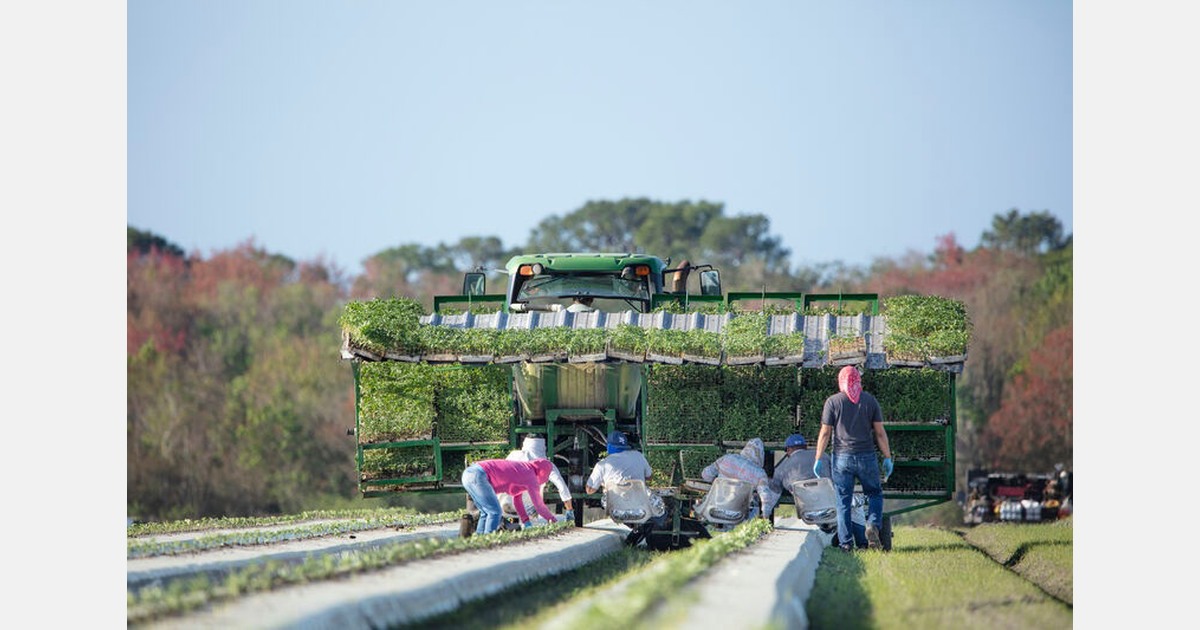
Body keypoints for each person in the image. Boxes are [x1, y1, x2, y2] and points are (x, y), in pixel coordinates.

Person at [813, 365, 893, 552]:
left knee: (842, 500)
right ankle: (872, 524)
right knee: (874, 493)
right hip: (866, 456)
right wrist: (887, 457)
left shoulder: (832, 402)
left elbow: (825, 433)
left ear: (840, 381)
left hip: (841, 457)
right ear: (859, 380)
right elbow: (880, 433)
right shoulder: (870, 401)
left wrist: (818, 458)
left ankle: (846, 544)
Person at [586, 431, 662, 543]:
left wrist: (604, 483)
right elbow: (649, 477)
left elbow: (589, 491)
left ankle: (635, 529)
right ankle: (640, 530)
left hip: (615, 509)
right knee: (658, 510)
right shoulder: (638, 456)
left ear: (609, 447)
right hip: (640, 506)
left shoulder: (602, 464)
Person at [461, 458, 559, 535]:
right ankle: (488, 539)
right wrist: (554, 521)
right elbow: (539, 506)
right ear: (543, 472)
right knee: (495, 512)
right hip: (478, 475)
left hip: (468, 474)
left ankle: (480, 540)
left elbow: (518, 502)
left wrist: (526, 521)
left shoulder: (524, 470)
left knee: (485, 513)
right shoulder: (531, 476)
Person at [700, 437, 781, 521]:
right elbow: (765, 496)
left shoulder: (727, 458)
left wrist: (714, 480)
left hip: (715, 508)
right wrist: (765, 513)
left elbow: (705, 475)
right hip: (738, 515)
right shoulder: (760, 473)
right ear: (761, 455)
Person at [501, 435, 575, 525]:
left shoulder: (513, 455)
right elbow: (561, 486)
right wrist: (569, 509)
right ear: (543, 447)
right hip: (528, 510)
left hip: (503, 505)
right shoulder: (545, 464)